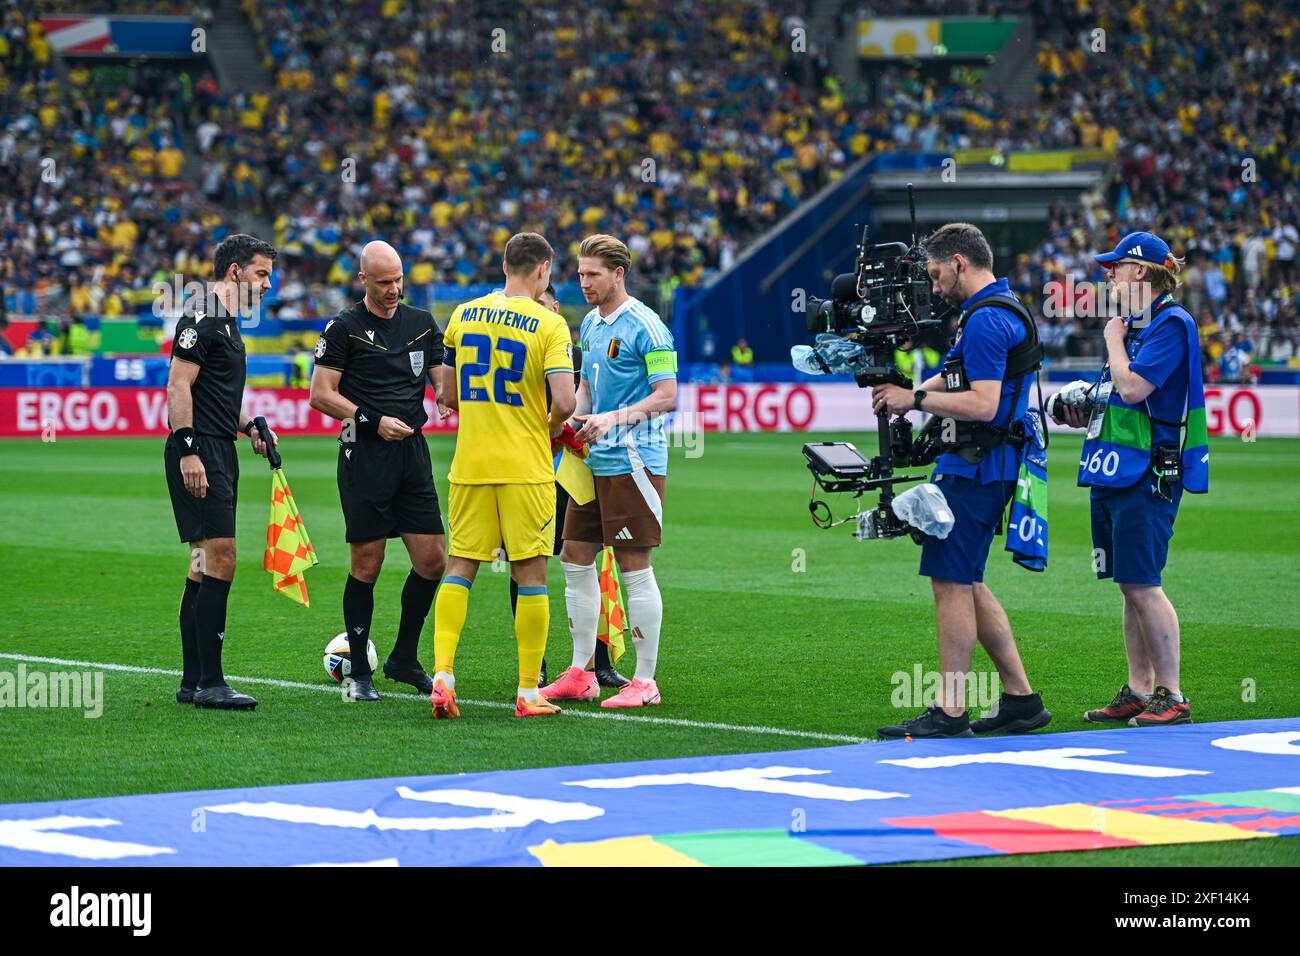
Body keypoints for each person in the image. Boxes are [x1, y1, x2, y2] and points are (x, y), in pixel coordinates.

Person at [871, 223, 1052, 739]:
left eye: (934, 275)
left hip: (978, 463)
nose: (932, 287)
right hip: (983, 462)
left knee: (950, 579)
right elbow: (955, 376)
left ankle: (951, 710)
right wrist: (904, 389)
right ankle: (1021, 698)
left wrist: (914, 400)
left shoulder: (986, 320)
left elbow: (984, 405)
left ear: (958, 262)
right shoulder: (993, 309)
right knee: (967, 579)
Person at [1053, 231, 1208, 727]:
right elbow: (1120, 399)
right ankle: (1141, 689)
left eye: (1115, 266)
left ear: (1141, 271)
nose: (1108, 274)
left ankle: (1173, 693)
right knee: (1129, 583)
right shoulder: (1142, 325)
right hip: (1116, 467)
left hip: (1147, 471)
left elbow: (1134, 387)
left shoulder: (1169, 323)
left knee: (1144, 583)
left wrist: (1113, 342)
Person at [429, 233, 577, 718]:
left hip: (470, 465)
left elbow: (446, 396)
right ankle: (528, 691)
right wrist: (548, 427)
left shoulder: (463, 315)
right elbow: (565, 402)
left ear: (504, 265)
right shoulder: (550, 325)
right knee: (531, 574)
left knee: (460, 568)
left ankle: (444, 674)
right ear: (543, 269)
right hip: (525, 468)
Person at [541, 234, 677, 709]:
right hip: (591, 462)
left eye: (593, 275)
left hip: (633, 460)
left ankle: (645, 681)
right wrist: (572, 419)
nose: (584, 283)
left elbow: (667, 395)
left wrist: (611, 419)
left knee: (633, 567)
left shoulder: (647, 325)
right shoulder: (592, 325)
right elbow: (585, 388)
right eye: (579, 274)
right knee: (574, 557)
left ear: (619, 274)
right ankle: (581, 672)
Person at [309, 240, 448, 702]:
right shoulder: (342, 328)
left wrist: (457, 393)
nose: (394, 290)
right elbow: (321, 394)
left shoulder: (422, 324)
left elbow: (442, 386)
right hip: (363, 452)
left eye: (399, 280)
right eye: (384, 282)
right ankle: (359, 672)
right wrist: (371, 419)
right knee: (368, 563)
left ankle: (403, 657)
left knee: (432, 561)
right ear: (363, 279)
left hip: (412, 452)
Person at [163, 233, 278, 710]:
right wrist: (189, 450)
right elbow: (178, 385)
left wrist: (249, 424)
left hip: (217, 445)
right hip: (201, 451)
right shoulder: (202, 314)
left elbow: (211, 396)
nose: (269, 284)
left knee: (199, 567)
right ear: (235, 272)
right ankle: (212, 682)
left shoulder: (226, 322)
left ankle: (194, 682)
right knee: (222, 558)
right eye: (262, 274)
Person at [508, 284, 628, 690]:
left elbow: (587, 401)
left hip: (573, 467)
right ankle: (535, 663)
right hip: (528, 469)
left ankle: (598, 660)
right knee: (526, 561)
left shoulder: (575, 354)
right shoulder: (512, 350)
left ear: (554, 307)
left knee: (591, 557)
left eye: (540, 306)